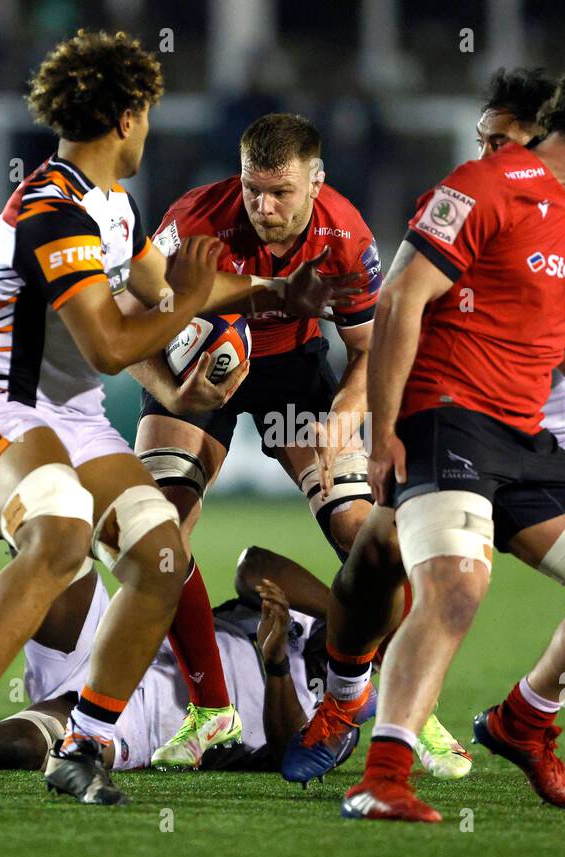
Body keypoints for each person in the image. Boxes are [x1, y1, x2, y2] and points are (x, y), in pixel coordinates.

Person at [0, 30, 347, 805]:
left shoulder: (110, 203)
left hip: (69, 415)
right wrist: (192, 302)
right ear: (129, 117)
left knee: (162, 558)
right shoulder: (52, 210)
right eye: (148, 112)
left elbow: (168, 285)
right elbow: (111, 345)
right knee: (63, 528)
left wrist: (274, 296)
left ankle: (85, 744)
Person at [339, 57, 565, 824]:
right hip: (445, 419)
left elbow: (554, 341)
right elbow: (401, 300)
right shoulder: (485, 184)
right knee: (456, 586)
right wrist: (384, 430)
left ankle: (522, 721)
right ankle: (383, 775)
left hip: (524, 437)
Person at [126, 112, 382, 769]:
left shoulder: (347, 235)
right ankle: (213, 713)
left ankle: (384, 698)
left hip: (291, 374)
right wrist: (177, 392)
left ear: (316, 183)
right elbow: (126, 325)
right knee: (158, 531)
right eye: (252, 190)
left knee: (364, 532)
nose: (263, 207)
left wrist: (346, 415)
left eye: (281, 193)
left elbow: (366, 350)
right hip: (198, 370)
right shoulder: (193, 221)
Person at [0, 546, 469, 779]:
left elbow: (285, 753)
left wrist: (278, 665)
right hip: (139, 633)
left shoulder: (355, 711)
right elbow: (255, 563)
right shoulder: (326, 621)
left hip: (164, 713)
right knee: (57, 542)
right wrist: (347, 616)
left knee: (35, 737)